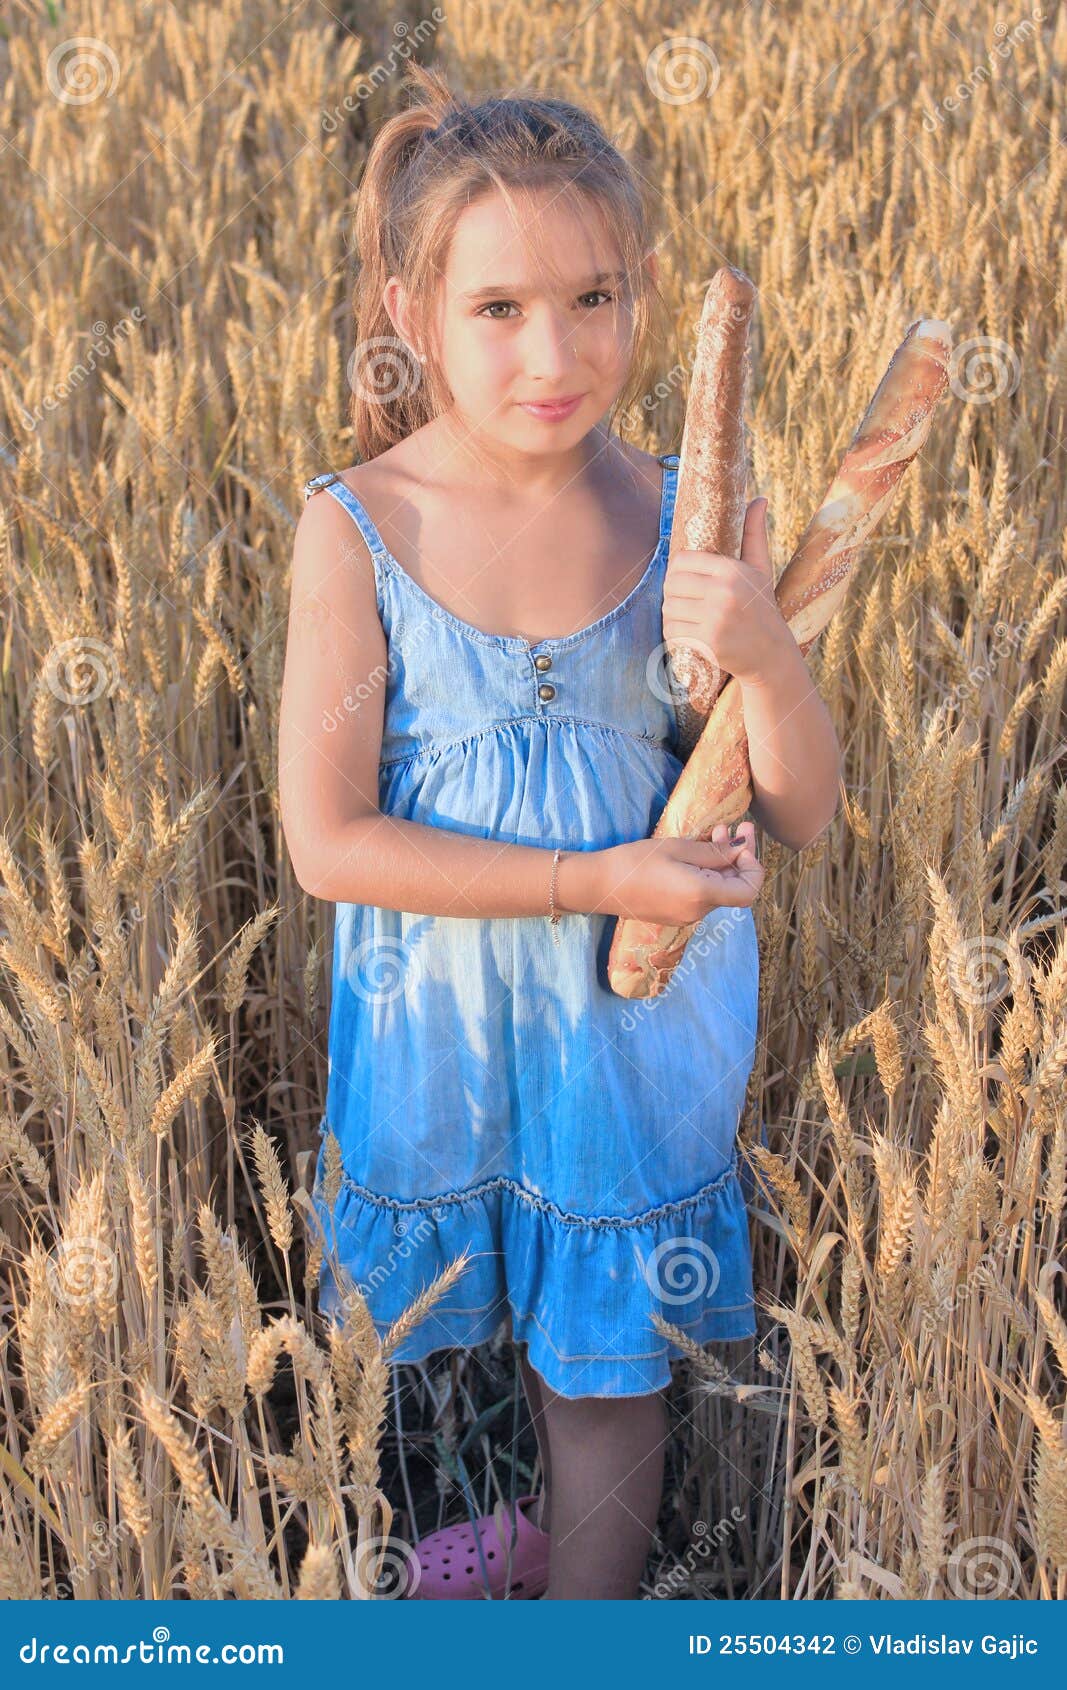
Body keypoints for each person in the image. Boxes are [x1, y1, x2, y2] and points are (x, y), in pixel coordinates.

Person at [279, 64, 828, 1601]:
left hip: (623, 1036)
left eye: (595, 298)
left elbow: (797, 804)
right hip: (437, 1035)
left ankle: (577, 1623)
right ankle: (505, 1540)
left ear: (643, 292)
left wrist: (770, 655)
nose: (557, 351)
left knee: (599, 1374)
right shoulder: (359, 525)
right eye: (501, 308)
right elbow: (328, 843)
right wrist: (596, 872)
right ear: (408, 308)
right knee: (450, 1336)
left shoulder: (693, 519)